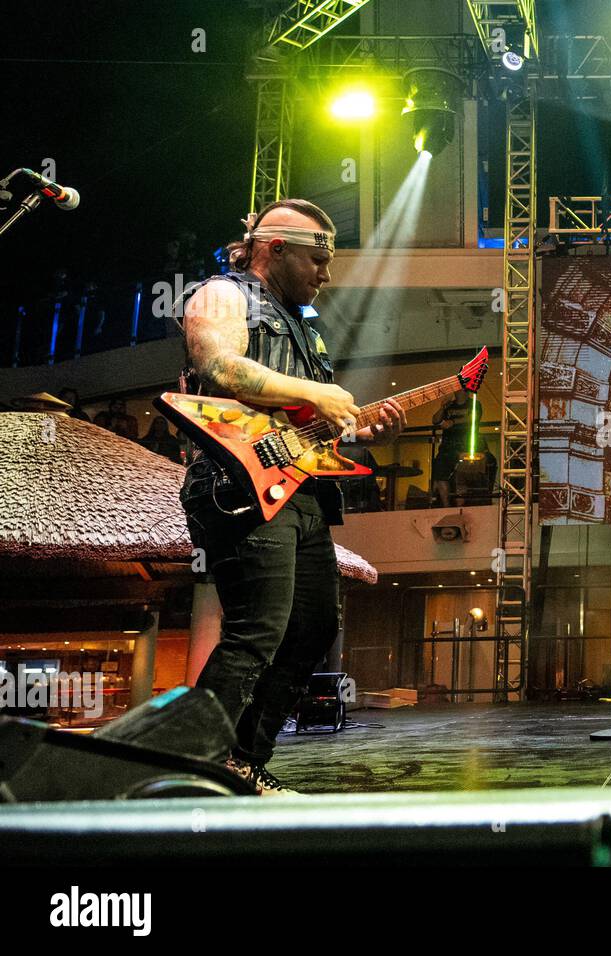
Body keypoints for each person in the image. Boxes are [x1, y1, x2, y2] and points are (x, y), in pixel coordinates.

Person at [178, 199, 406, 794]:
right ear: (274, 249)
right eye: (317, 259)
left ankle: (242, 763)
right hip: (237, 483)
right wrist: (315, 391)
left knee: (312, 624)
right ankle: (188, 761)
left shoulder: (305, 326)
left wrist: (360, 428)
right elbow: (218, 367)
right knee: (259, 627)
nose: (325, 274)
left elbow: (309, 421)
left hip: (299, 490)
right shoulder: (223, 295)